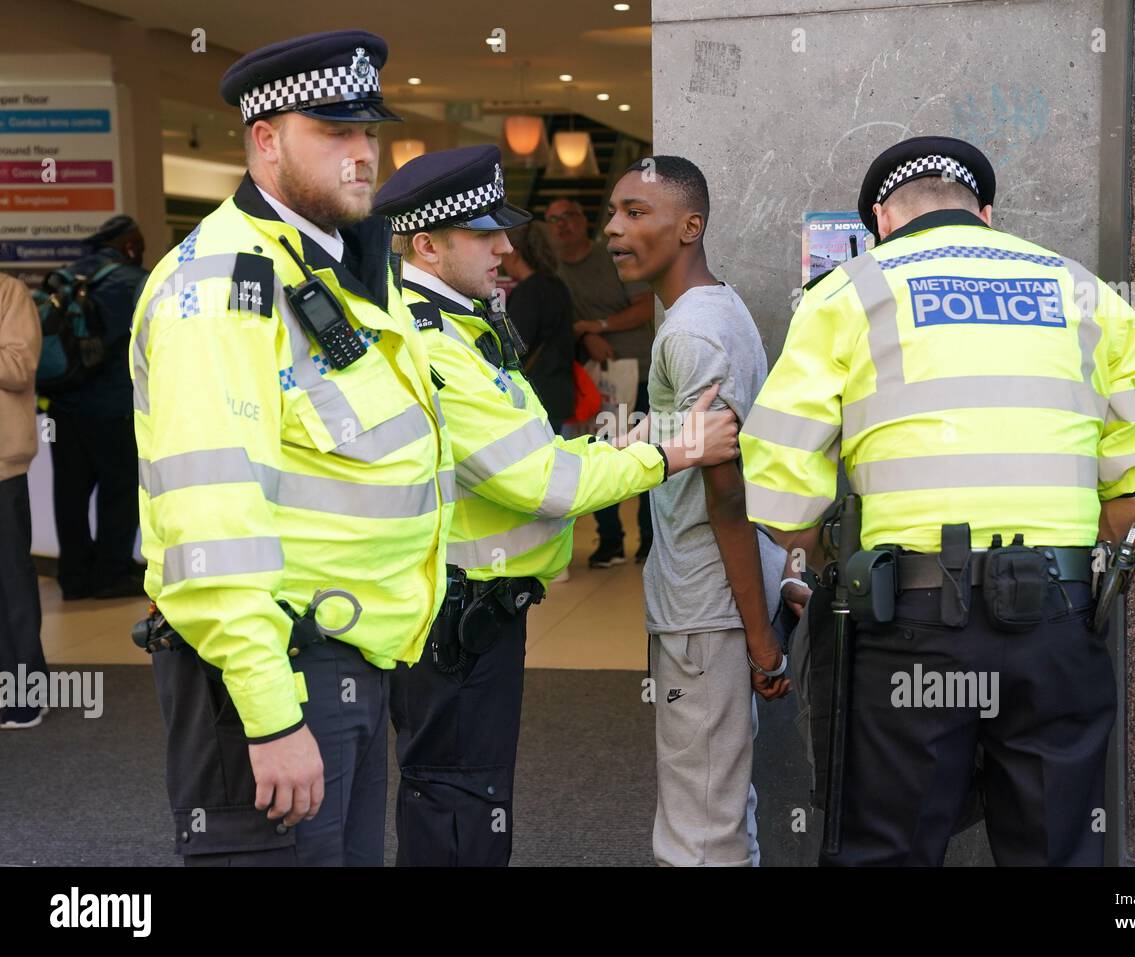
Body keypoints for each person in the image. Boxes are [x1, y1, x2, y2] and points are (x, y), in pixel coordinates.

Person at [740, 135, 1135, 866]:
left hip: (908, 620)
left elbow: (782, 497)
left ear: (881, 218)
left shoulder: (850, 292)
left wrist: (825, 557)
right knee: (1055, 848)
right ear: (987, 213)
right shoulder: (1084, 293)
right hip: (1056, 621)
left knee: (890, 845)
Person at [131, 30, 450, 866]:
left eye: (368, 132)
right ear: (265, 140)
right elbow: (212, 510)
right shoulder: (223, 283)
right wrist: (272, 713)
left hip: (342, 666)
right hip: (270, 674)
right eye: (334, 132)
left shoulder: (332, 269)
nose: (362, 155)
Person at [372, 144, 742, 866]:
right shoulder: (434, 342)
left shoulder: (462, 324)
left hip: (475, 609)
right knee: (457, 802)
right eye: (483, 234)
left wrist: (638, 439)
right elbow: (543, 484)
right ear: (426, 244)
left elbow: (538, 455)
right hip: (456, 614)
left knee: (465, 793)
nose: (506, 248)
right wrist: (671, 454)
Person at [605, 155, 792, 866]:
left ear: (691, 226)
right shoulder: (717, 307)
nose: (614, 230)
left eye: (635, 213)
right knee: (720, 803)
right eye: (613, 213)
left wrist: (758, 639)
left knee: (698, 827)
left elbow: (727, 494)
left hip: (704, 609)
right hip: (710, 605)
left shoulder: (691, 332)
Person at [545, 196, 656, 566]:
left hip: (639, 370)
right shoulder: (553, 272)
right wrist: (585, 337)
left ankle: (650, 541)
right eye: (554, 219)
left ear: (584, 218)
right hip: (594, 381)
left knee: (646, 451)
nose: (563, 224)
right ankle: (609, 539)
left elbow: (645, 307)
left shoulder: (612, 257)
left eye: (570, 214)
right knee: (599, 454)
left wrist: (598, 326)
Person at [46, 214, 149, 600]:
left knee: (69, 494)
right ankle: (110, 573)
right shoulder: (134, 281)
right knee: (119, 491)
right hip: (113, 408)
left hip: (64, 407)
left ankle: (72, 576)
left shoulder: (67, 276)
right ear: (128, 244)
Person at [0, 272, 48, 729]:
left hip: (2, 465)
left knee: (10, 580)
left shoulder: (9, 293)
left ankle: (26, 694)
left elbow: (19, 368)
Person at [500, 220, 575, 431]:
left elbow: (514, 346)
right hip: (559, 389)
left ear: (514, 253)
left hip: (538, 393)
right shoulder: (556, 284)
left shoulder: (529, 292)